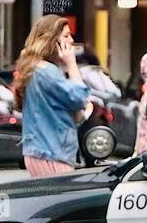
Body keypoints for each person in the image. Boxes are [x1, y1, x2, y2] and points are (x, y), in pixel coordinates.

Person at [12, 15, 91, 177]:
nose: (71, 41)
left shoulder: (36, 69)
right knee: (60, 200)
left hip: (41, 151)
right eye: (66, 36)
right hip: (52, 152)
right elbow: (79, 97)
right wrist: (72, 64)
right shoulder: (46, 71)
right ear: (51, 40)